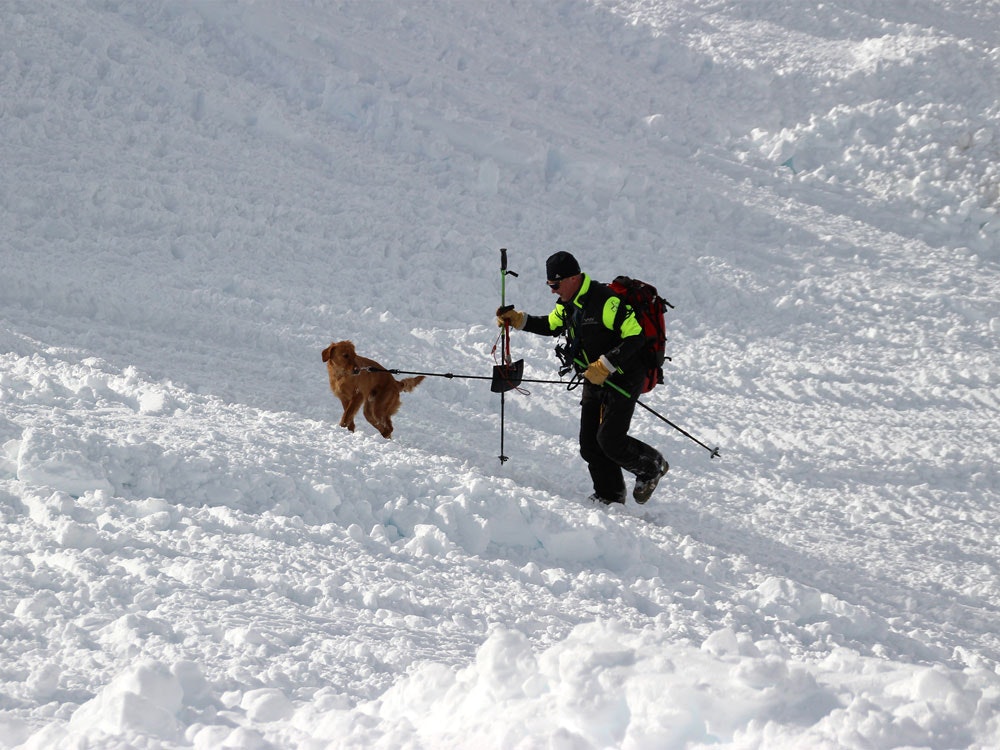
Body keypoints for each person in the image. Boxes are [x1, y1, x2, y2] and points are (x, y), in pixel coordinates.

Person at [496, 251, 669, 505]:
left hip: (624, 376)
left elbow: (636, 336)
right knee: (589, 445)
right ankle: (610, 496)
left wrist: (606, 364)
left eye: (555, 285)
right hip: (594, 376)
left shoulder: (605, 301)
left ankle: (652, 466)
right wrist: (520, 320)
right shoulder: (568, 303)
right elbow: (552, 325)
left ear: (573, 278)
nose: (552, 291)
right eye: (549, 285)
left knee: (610, 440)